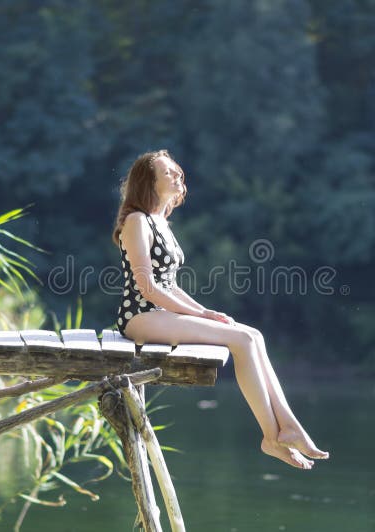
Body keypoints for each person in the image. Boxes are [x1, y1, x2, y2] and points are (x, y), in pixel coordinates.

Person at [112, 150, 329, 470]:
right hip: (140, 316)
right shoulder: (136, 221)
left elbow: (169, 285)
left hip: (161, 312)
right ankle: (272, 437)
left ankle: (287, 424)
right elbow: (148, 288)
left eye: (176, 171)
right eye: (168, 172)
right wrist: (199, 317)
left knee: (252, 335)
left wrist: (205, 311)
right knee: (239, 341)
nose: (177, 176)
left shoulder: (161, 222)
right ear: (149, 181)